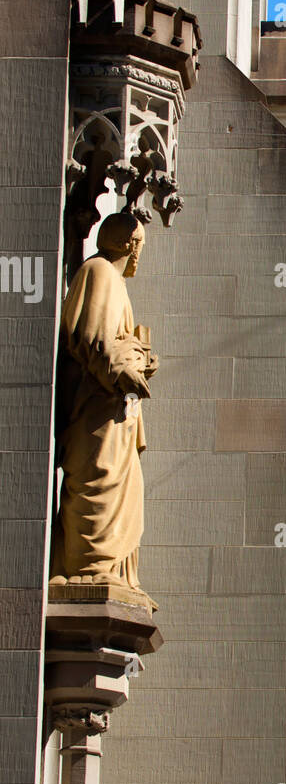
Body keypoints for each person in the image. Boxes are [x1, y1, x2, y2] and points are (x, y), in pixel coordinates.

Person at [50, 212, 155, 597]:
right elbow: (92, 338)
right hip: (97, 410)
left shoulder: (112, 282)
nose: (139, 254)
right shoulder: (99, 273)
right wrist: (126, 366)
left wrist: (139, 358)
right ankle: (87, 570)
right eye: (139, 244)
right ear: (128, 244)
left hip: (116, 414)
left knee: (125, 491)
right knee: (97, 477)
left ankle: (109, 570)